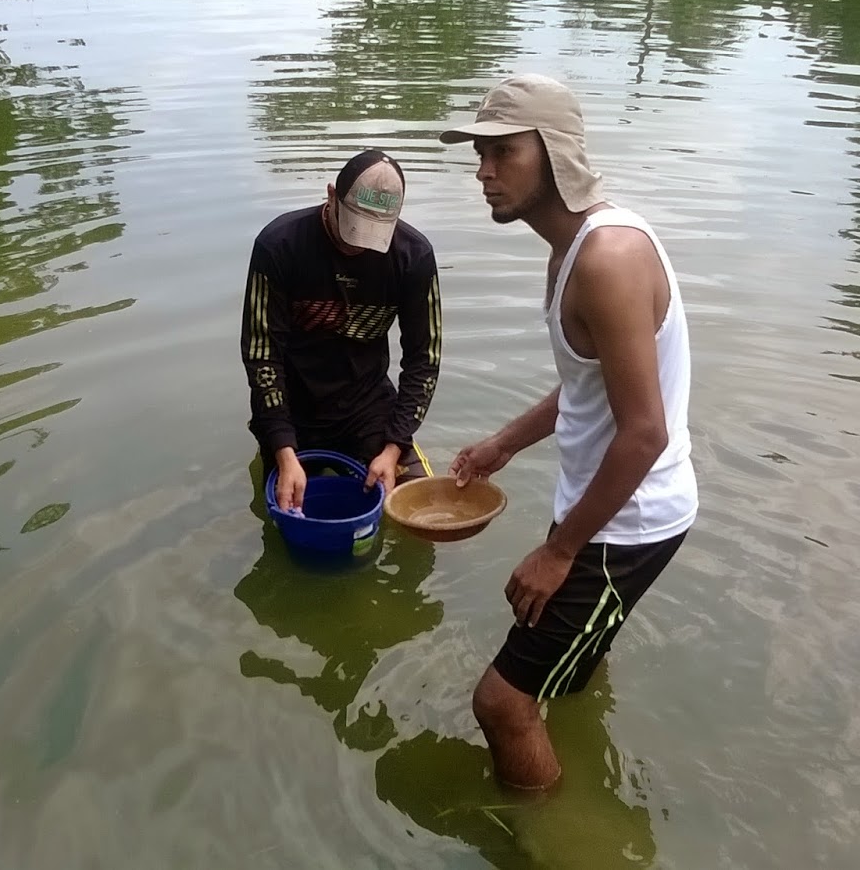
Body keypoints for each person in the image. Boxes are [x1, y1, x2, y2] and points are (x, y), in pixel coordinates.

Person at [438, 74, 698, 790]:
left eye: (503, 153)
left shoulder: (608, 260)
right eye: (479, 154)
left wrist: (559, 549)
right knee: (569, 672)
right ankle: (576, 737)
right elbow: (593, 386)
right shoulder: (575, 249)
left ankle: (549, 842)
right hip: (603, 504)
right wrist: (503, 444)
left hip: (630, 520)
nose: (484, 173)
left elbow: (642, 432)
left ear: (553, 152)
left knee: (501, 702)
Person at [241, 149, 443, 510]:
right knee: (288, 515)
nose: (357, 245)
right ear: (331, 195)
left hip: (368, 407)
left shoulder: (413, 257)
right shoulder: (279, 246)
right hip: (292, 405)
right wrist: (284, 449)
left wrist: (394, 444)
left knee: (419, 511)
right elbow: (261, 354)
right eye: (351, 228)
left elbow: (423, 360)